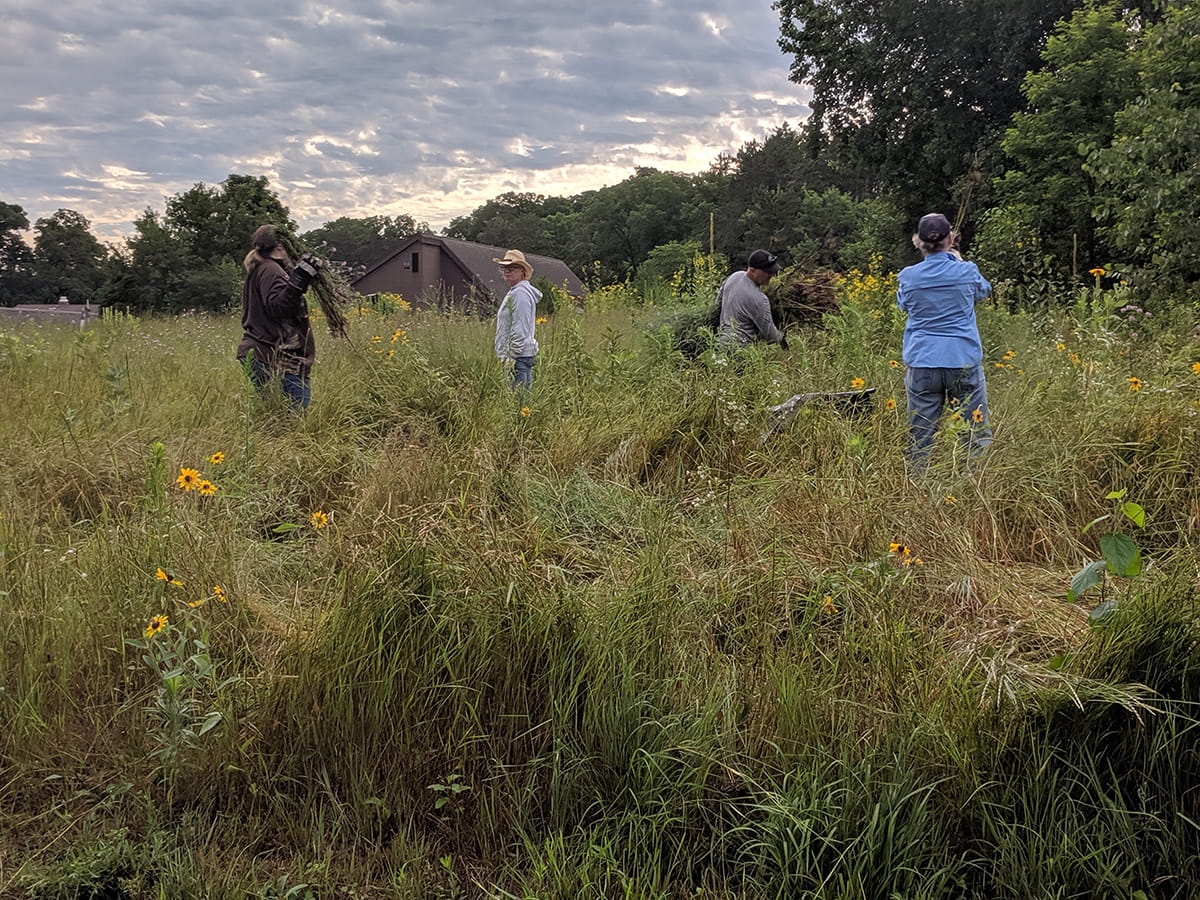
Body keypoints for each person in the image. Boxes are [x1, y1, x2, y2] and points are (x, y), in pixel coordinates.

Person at [896, 213, 993, 466]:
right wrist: (957, 259)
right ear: (950, 238)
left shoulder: (908, 277)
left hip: (923, 361)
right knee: (974, 434)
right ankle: (974, 488)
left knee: (921, 436)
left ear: (918, 241)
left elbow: (903, 305)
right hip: (963, 360)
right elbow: (984, 292)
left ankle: (918, 491)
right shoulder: (966, 271)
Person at [237, 225, 322, 409]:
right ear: (281, 246)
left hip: (262, 354)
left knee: (275, 419)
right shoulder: (271, 269)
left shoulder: (261, 268)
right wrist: (298, 281)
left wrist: (296, 277)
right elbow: (277, 308)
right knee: (294, 425)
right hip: (279, 359)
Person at [718, 249, 788, 350]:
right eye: (768, 272)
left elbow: (719, 302)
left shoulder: (733, 277)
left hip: (721, 343)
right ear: (752, 270)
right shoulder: (759, 299)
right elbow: (769, 334)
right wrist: (782, 339)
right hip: (740, 349)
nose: (772, 275)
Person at [492, 249, 541, 389]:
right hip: (518, 356)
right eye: (504, 268)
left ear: (522, 271)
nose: (507, 271)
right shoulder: (516, 291)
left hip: (517, 358)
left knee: (518, 401)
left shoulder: (520, 294)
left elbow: (520, 327)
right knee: (520, 400)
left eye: (512, 268)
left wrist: (510, 357)